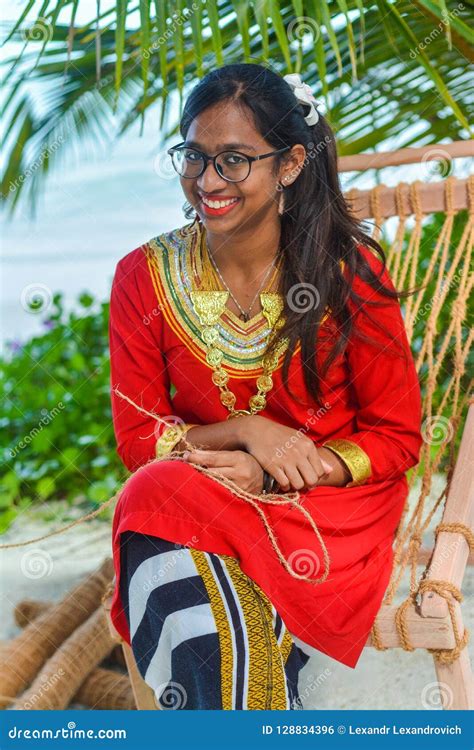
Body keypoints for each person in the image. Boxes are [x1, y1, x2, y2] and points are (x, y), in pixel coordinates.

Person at [108, 63, 423, 710]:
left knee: (164, 548)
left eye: (233, 160)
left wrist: (278, 475)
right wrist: (249, 434)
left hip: (326, 511)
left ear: (289, 164)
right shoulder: (141, 278)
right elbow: (141, 438)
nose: (207, 181)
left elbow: (397, 438)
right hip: (204, 488)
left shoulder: (347, 275)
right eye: (194, 156)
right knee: (155, 489)